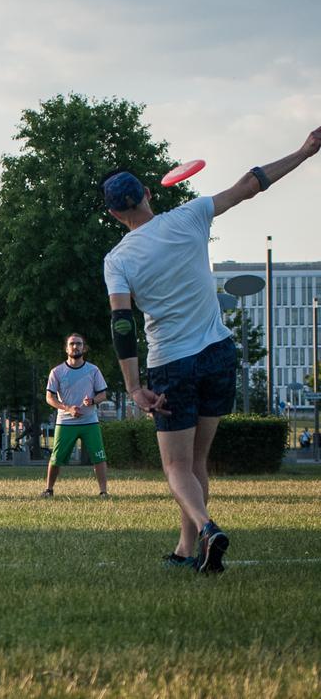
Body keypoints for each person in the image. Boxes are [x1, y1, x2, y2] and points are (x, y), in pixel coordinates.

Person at [102, 126, 321, 573]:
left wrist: (133, 386)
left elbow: (122, 323)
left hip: (172, 363)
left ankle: (206, 528)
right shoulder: (190, 215)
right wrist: (304, 151)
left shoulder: (118, 259)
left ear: (113, 213)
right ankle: (188, 551)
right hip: (219, 353)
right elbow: (249, 185)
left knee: (177, 466)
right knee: (197, 460)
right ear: (147, 193)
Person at [40, 333, 109, 498]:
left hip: (90, 422)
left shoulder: (93, 370)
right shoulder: (57, 372)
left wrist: (92, 401)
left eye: (79, 344)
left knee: (99, 457)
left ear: (84, 348)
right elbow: (50, 398)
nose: (75, 347)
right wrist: (67, 408)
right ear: (66, 348)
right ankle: (49, 489)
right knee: (56, 458)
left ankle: (103, 492)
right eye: (72, 344)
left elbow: (103, 394)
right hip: (65, 422)